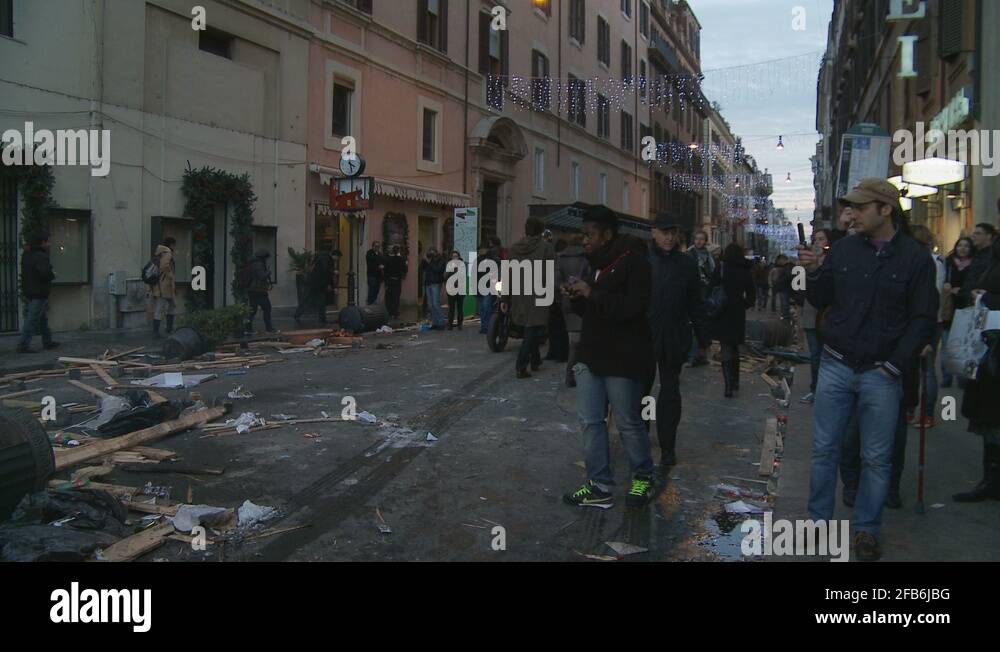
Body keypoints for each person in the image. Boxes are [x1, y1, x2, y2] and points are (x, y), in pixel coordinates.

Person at [798, 178, 937, 561]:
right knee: (825, 449)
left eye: (860, 207)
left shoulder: (915, 258)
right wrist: (812, 272)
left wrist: (894, 366)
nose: (852, 214)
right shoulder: (843, 250)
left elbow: (923, 318)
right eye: (851, 207)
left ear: (885, 210)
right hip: (838, 363)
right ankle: (818, 524)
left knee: (876, 456)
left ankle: (866, 530)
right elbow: (822, 298)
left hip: (881, 372)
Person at [562, 205, 655, 509]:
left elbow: (632, 309)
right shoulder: (593, 264)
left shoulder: (634, 262)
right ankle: (599, 484)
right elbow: (594, 311)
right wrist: (578, 299)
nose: (583, 240)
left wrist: (592, 294)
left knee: (628, 422)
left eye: (589, 234)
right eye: (582, 234)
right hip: (591, 354)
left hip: (623, 357)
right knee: (590, 421)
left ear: (607, 235)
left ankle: (643, 477)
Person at [646, 215, 705, 467]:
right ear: (654, 233)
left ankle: (667, 445)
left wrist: (704, 338)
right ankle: (641, 439)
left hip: (674, 335)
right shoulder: (643, 262)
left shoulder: (687, 264)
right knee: (642, 392)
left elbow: (696, 303)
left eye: (672, 232)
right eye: (664, 231)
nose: (669, 237)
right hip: (645, 336)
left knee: (670, 393)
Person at [955, 234, 1000, 502]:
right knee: (990, 419)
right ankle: (991, 480)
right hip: (990, 347)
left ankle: (991, 482)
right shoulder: (990, 254)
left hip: (994, 350)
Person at [905, 225, 945, 428]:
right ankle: (914, 410)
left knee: (925, 370)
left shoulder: (931, 264)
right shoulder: (933, 262)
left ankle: (926, 413)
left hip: (927, 323)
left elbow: (932, 296)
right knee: (919, 370)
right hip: (926, 320)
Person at [506, 218, 555, 378]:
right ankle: (521, 365)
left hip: (520, 293)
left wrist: (506, 298)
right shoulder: (546, 248)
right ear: (541, 231)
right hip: (538, 292)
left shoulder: (514, 249)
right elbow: (550, 273)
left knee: (530, 326)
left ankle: (535, 360)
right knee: (532, 328)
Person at [710, 243, 756, 398]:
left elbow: (712, 289)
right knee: (735, 345)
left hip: (722, 311)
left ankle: (728, 384)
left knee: (726, 347)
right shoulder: (745, 270)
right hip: (737, 312)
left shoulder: (721, 269)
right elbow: (751, 294)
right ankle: (735, 380)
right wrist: (743, 304)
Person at [799, 229, 831, 404]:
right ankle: (815, 388)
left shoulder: (831, 261)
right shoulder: (805, 261)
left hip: (827, 316)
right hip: (811, 313)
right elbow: (798, 285)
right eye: (815, 239)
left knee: (826, 355)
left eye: (821, 239)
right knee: (815, 354)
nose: (818, 242)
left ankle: (825, 388)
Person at [941, 236, 975, 388]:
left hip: (966, 309)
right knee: (947, 345)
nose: (962, 248)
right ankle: (946, 377)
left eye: (966, 246)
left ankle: (962, 378)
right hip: (949, 308)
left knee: (964, 346)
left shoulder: (975, 264)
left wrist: (962, 291)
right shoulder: (947, 263)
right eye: (960, 245)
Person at [17, 231, 59, 353]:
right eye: (48, 241)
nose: (50, 244)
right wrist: (52, 275)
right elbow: (44, 273)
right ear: (42, 242)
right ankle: (23, 344)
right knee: (32, 319)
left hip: (30, 290)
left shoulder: (28, 253)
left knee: (42, 318)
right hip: (39, 291)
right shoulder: (41, 256)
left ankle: (47, 341)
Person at [557, 233, 588, 387]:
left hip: (567, 302)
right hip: (582, 302)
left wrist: (564, 288)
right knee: (580, 343)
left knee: (574, 342)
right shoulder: (586, 258)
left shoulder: (561, 258)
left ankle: (571, 375)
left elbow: (557, 281)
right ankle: (573, 375)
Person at [685, 230, 715, 367]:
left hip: (704, 291)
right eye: (697, 238)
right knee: (693, 324)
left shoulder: (708, 255)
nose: (699, 241)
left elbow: (712, 272)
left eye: (701, 239)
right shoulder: (688, 254)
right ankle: (693, 356)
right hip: (691, 291)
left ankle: (700, 354)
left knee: (702, 324)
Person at [959, 223, 996, 308]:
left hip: (984, 301)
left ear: (989, 236)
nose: (974, 236)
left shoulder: (993, 255)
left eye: (978, 233)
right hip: (970, 300)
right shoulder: (974, 253)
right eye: (974, 233)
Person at [545, 239, 570, 362]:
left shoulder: (555, 260)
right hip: (561, 297)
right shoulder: (565, 260)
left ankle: (553, 352)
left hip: (553, 297)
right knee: (561, 328)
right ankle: (561, 354)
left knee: (553, 327)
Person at [295, 250, 332, 325]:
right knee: (321, 303)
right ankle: (322, 319)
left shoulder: (318, 260)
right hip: (319, 286)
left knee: (307, 301)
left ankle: (297, 314)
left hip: (313, 284)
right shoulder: (326, 261)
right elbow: (326, 273)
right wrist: (329, 283)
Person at [150, 236, 177, 339]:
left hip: (162, 285)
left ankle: (168, 328)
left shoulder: (160, 253)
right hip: (164, 285)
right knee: (161, 306)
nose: (175, 247)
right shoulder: (167, 253)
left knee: (171, 304)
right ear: (171, 245)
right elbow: (164, 266)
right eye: (174, 245)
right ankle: (157, 332)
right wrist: (171, 276)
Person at [246, 249, 275, 334]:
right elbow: (261, 276)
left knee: (252, 311)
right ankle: (269, 329)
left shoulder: (253, 263)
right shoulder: (258, 264)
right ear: (263, 257)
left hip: (253, 290)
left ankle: (248, 329)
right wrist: (268, 273)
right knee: (267, 308)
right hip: (258, 290)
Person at [420, 248, 447, 330]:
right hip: (428, 283)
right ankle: (435, 323)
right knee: (430, 305)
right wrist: (423, 260)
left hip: (436, 283)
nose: (431, 255)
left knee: (436, 303)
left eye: (432, 253)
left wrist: (429, 262)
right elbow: (422, 268)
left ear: (436, 253)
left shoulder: (441, 260)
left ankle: (441, 322)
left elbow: (438, 270)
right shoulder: (428, 260)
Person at [383, 245, 407, 319]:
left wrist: (386, 281)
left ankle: (389, 312)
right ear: (398, 251)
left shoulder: (388, 259)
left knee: (389, 297)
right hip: (397, 280)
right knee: (396, 297)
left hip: (389, 280)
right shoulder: (401, 259)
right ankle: (395, 313)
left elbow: (385, 270)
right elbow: (405, 269)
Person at [444, 250, 465, 330]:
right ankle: (450, 324)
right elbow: (445, 276)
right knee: (451, 307)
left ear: (459, 257)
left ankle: (460, 324)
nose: (455, 258)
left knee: (460, 307)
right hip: (451, 288)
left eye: (456, 256)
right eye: (453, 256)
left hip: (460, 288)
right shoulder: (448, 265)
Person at [366, 241, 385, 305]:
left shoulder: (379, 254)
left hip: (378, 276)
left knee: (376, 290)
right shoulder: (369, 253)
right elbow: (370, 263)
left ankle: (373, 302)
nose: (377, 248)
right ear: (373, 246)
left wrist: (382, 266)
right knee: (372, 290)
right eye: (376, 246)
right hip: (372, 275)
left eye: (378, 246)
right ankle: (370, 303)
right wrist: (378, 266)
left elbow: (382, 261)